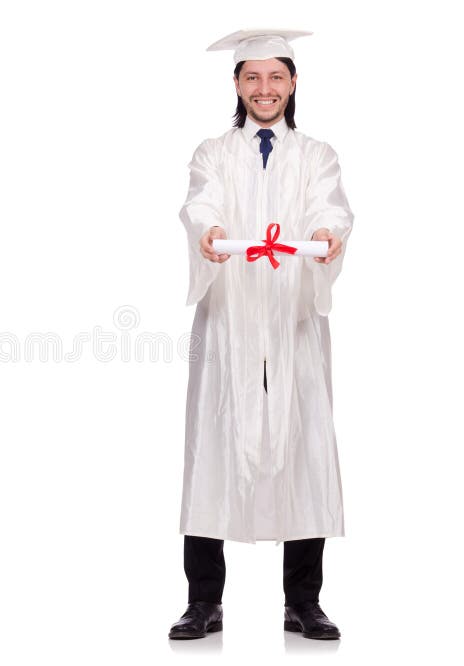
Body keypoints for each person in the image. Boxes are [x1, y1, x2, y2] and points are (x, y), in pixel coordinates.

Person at [169, 29, 353, 641]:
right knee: (213, 450)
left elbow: (333, 208)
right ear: (237, 84)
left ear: (293, 83)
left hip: (292, 318)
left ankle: (303, 600)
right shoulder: (213, 152)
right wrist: (210, 229)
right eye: (253, 77)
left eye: (276, 77)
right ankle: (203, 601)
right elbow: (201, 204)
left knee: (302, 450)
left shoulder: (316, 155)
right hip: (231, 321)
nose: (265, 88)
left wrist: (329, 235)